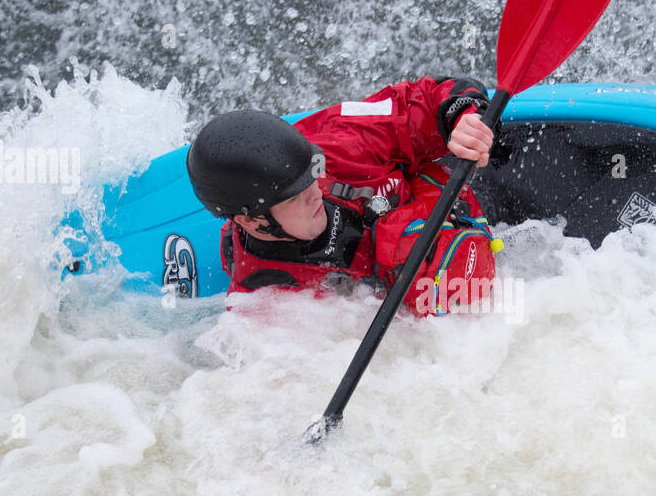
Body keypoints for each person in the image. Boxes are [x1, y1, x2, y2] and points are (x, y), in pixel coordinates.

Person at [185, 76, 501, 316]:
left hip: (463, 207)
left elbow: (431, 95)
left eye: (312, 172)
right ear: (251, 221)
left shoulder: (337, 140)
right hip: (440, 314)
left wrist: (462, 115)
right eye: (293, 196)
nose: (313, 192)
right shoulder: (266, 307)